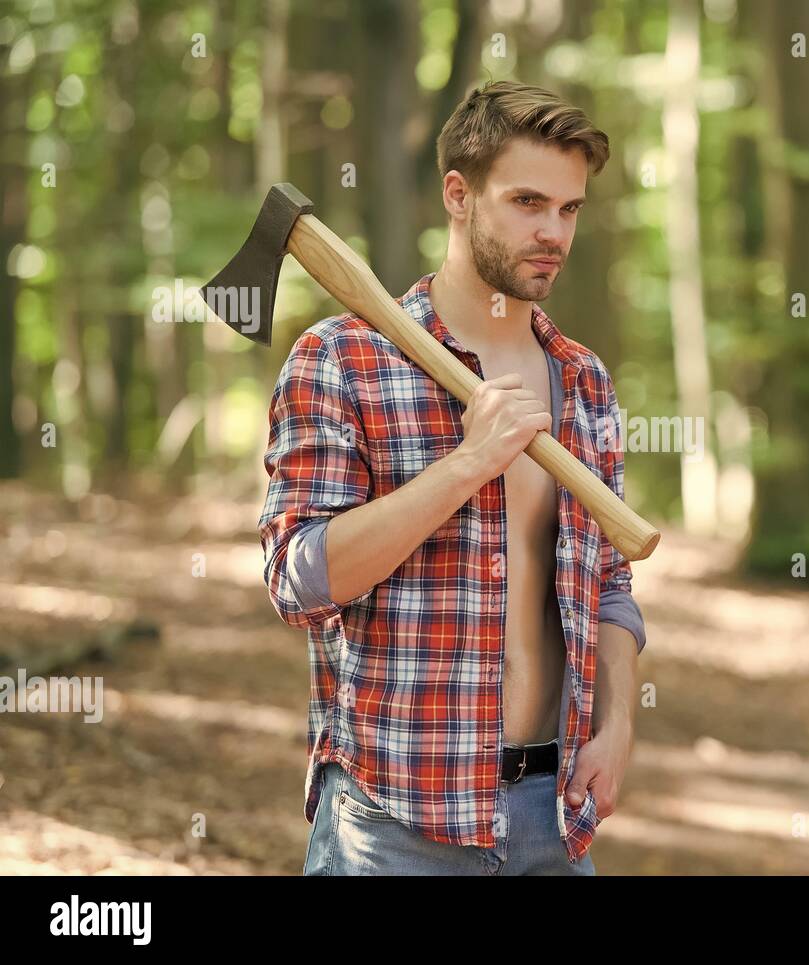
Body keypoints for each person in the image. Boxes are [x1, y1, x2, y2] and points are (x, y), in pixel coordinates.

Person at [258, 81, 646, 875]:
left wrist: (617, 722)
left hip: (553, 816)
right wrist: (467, 464)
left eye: (570, 209)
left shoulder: (583, 380)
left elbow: (607, 578)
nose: (553, 232)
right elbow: (300, 582)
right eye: (528, 201)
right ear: (459, 196)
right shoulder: (342, 360)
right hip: (393, 823)